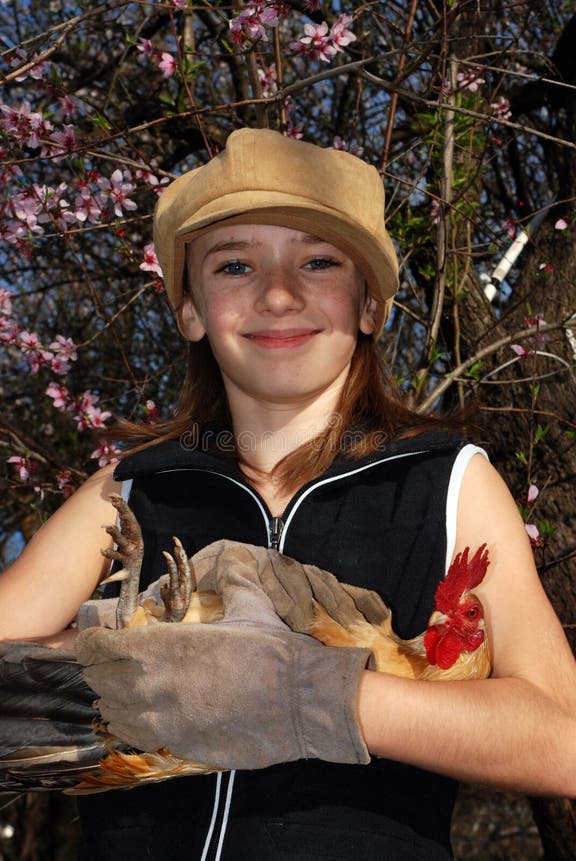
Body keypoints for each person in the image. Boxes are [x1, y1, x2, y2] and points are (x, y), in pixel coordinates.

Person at [0, 127, 575, 861]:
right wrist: (137, 656)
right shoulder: (133, 486)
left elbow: (564, 740)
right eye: (236, 263)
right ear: (190, 310)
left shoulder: (448, 480)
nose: (278, 292)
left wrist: (310, 694)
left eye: (319, 260)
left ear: (370, 305)